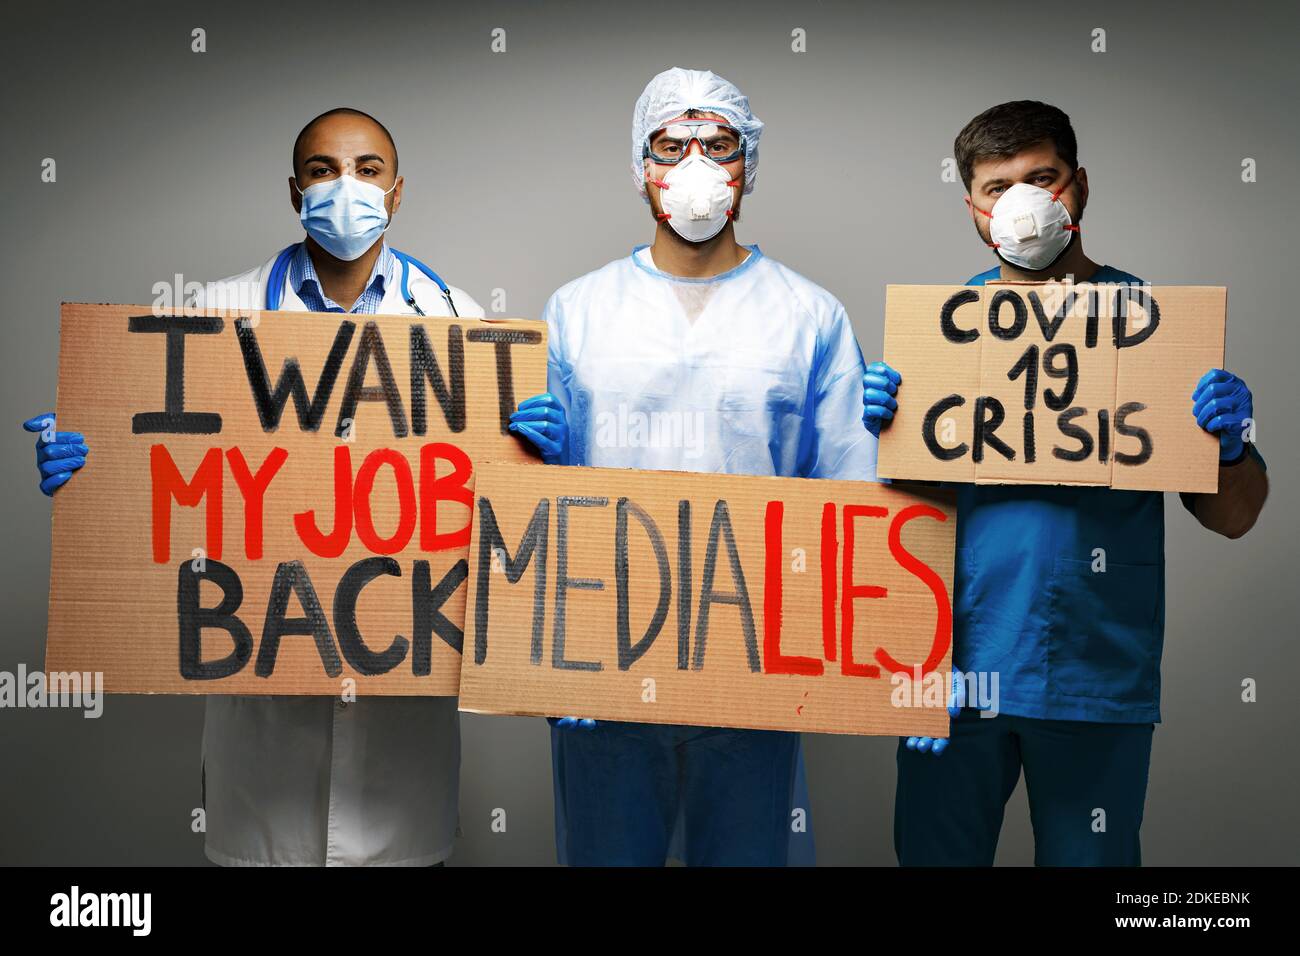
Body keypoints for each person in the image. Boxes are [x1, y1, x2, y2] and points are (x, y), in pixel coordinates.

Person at [23, 107, 483, 866]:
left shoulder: (459, 324)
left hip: (403, 758)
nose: (346, 187)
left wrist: (532, 463)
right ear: (294, 191)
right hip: (260, 756)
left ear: (397, 193)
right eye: (322, 170)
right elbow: (176, 485)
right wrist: (93, 474)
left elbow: (477, 512)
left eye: (368, 170)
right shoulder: (213, 314)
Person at [862, 100, 1268, 866]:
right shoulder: (942, 334)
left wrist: (1228, 446)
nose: (1019, 203)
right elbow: (890, 522)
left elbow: (1235, 517)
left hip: (1093, 670)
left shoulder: (1155, 327)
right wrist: (874, 437)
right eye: (996, 187)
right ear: (974, 210)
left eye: (1041, 178)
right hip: (951, 670)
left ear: (1078, 187)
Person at [508, 67, 876, 866]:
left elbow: (852, 498)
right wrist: (542, 662)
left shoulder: (810, 314)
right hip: (606, 662)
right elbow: (543, 502)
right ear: (641, 169)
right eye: (672, 147)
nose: (696, 168)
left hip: (756, 663)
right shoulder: (579, 309)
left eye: (719, 145)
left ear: (749, 166)